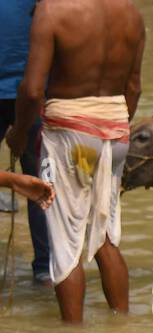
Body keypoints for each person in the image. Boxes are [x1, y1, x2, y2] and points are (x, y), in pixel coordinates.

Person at [6, 0, 144, 324]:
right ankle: (121, 331)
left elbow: (31, 89)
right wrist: (114, 129)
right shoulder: (131, 12)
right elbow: (134, 87)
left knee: (66, 245)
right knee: (106, 237)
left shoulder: (52, 11)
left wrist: (19, 133)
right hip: (116, 129)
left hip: (68, 132)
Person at [0, 0, 51, 284]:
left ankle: (45, 265)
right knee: (39, 182)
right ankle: (45, 267)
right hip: (33, 93)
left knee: (38, 182)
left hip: (30, 93)